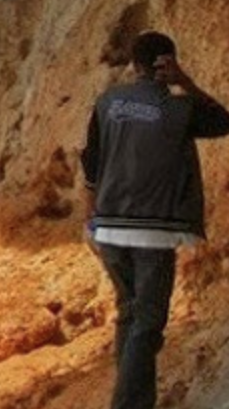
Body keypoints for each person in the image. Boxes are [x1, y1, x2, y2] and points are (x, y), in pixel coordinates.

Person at [81, 30, 229, 409]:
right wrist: (185, 82)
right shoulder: (180, 109)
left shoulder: (107, 101)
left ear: (134, 65)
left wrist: (89, 221)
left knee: (130, 316)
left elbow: (90, 162)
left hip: (110, 227)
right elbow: (223, 121)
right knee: (147, 324)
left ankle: (137, 401)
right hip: (154, 232)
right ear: (168, 63)